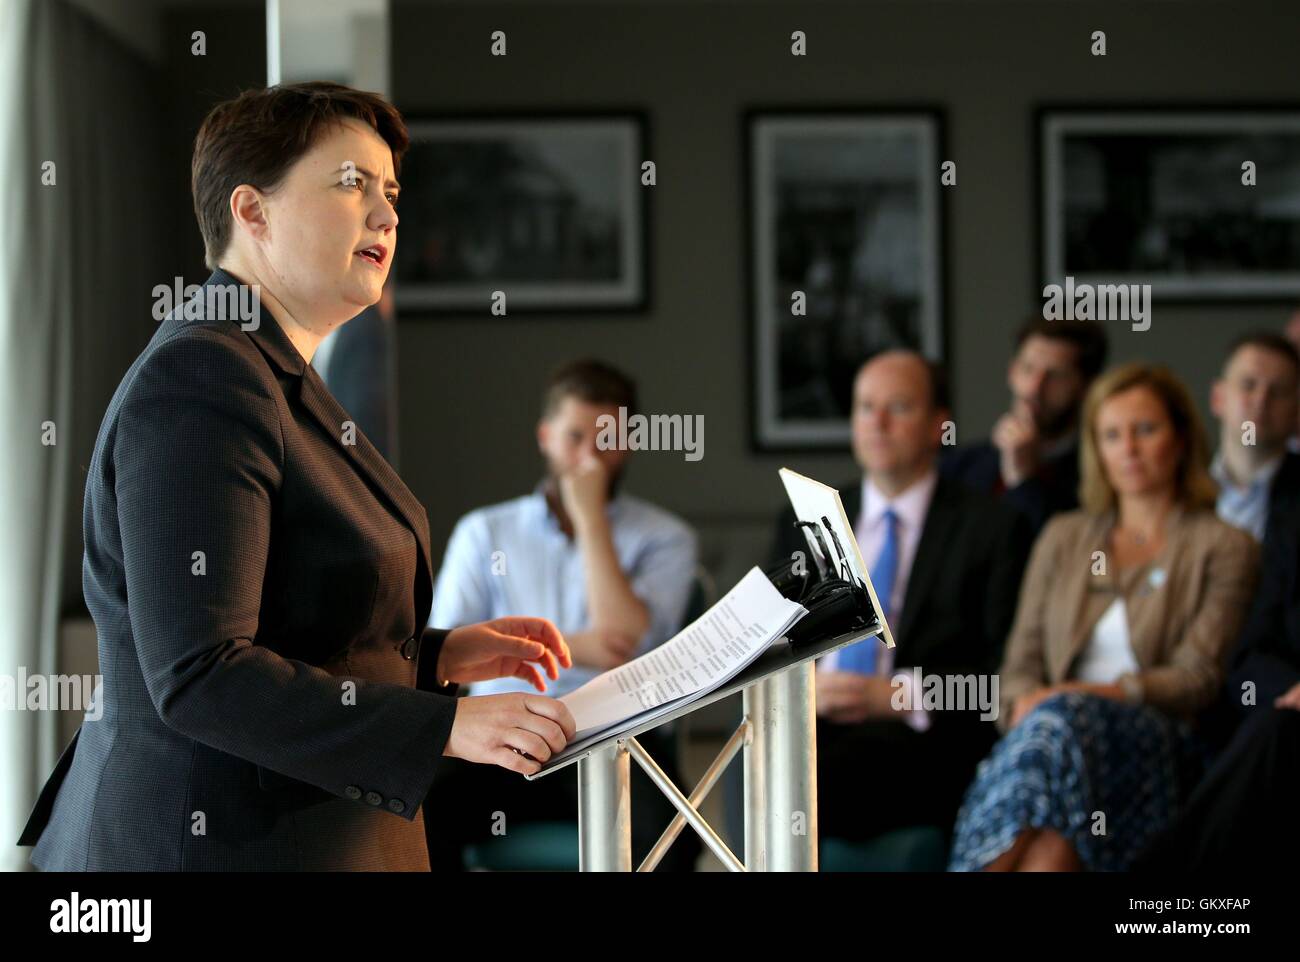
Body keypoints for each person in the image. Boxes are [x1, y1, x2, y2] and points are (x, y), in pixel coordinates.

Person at [17, 82, 574, 872]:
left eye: (391, 193)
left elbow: (291, 619)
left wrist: (432, 654)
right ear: (253, 212)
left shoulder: (267, 369)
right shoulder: (204, 376)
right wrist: (444, 726)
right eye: (353, 185)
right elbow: (201, 672)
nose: (387, 214)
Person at [949, 363, 1259, 872]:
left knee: (1063, 721)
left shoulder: (1224, 545)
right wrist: (1033, 707)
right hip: (1051, 745)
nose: (1129, 449)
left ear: (1181, 438)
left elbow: (1197, 678)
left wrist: (1079, 698)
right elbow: (1020, 666)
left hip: (1160, 750)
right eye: (1112, 435)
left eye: (1146, 430)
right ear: (1097, 448)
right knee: (1050, 845)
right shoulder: (1063, 537)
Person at [424, 359, 701, 870]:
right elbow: (443, 653)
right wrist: (582, 645)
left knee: (676, 833)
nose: (589, 457)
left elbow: (626, 639)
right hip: (502, 740)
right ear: (546, 437)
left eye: (607, 440)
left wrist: (590, 516)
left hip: (619, 742)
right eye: (575, 437)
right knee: (418, 810)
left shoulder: (666, 537)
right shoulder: (485, 531)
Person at [770, 351, 1032, 844]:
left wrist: (897, 697)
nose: (878, 423)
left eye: (899, 408)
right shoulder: (806, 517)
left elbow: (1002, 677)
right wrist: (805, 689)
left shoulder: (992, 528)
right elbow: (766, 645)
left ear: (939, 425)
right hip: (814, 723)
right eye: (865, 407)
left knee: (803, 779)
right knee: (760, 759)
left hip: (923, 739)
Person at [1133, 508, 1300, 870]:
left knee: (1274, 731)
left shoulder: (1224, 541)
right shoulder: (1292, 523)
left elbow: (1197, 675)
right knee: (1273, 726)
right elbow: (1249, 661)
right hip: (1285, 712)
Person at [942, 315, 1107, 534]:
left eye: (1055, 376)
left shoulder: (1099, 474)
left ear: (1087, 387)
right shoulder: (959, 466)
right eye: (1028, 369)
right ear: (1012, 372)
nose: (1034, 388)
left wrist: (1023, 480)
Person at [1208, 331, 1300, 542]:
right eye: (1248, 385)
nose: (1261, 401)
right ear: (1218, 398)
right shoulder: (1180, 490)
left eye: (1278, 391)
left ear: (1296, 410)